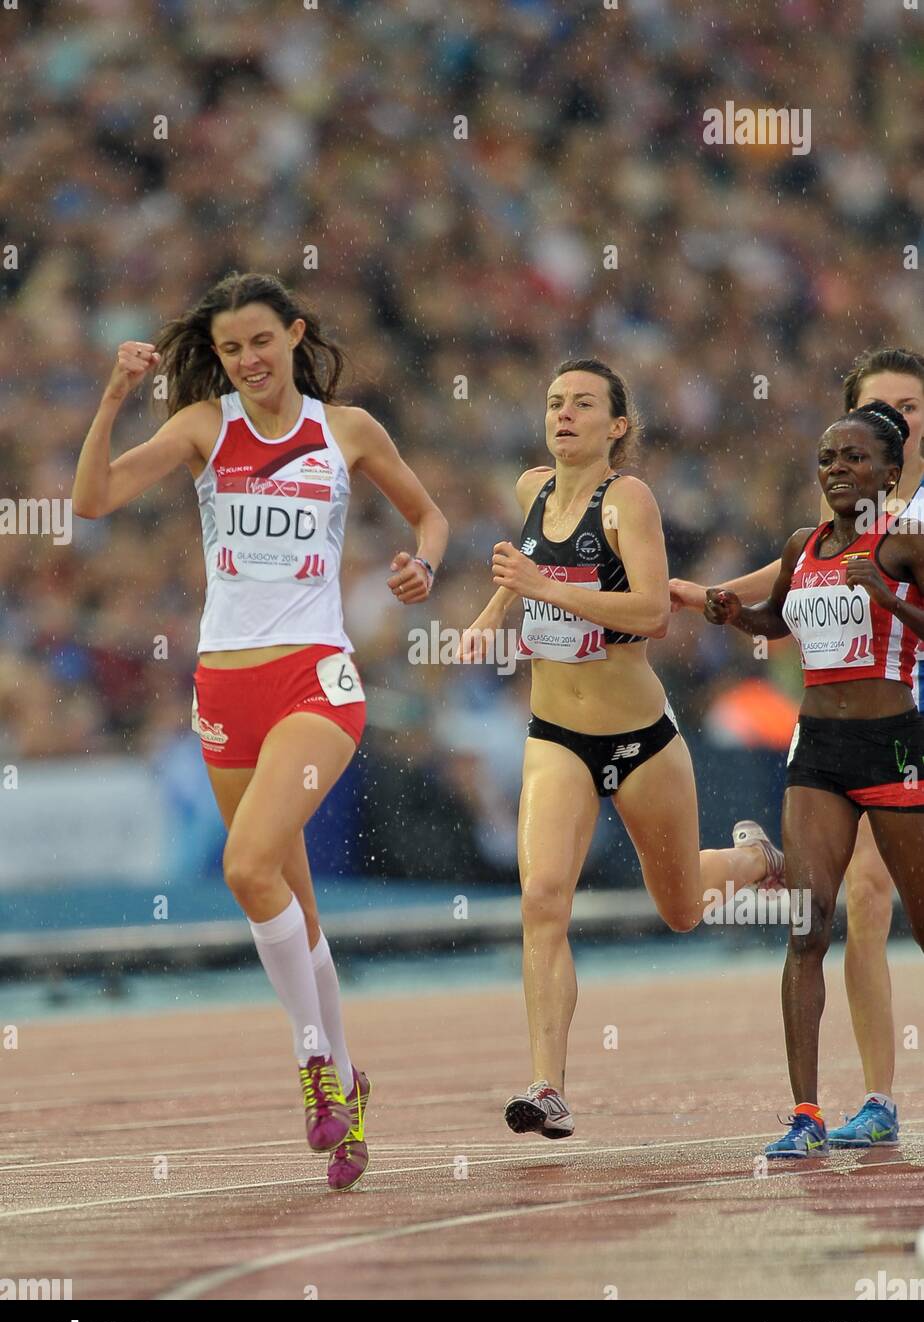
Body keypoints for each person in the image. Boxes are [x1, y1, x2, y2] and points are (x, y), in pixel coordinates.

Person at [72, 271, 448, 1190]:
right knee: (294, 903)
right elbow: (90, 500)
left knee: (246, 867)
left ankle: (314, 1060)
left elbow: (429, 514)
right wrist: (116, 396)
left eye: (261, 343)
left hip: (315, 679)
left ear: (293, 335)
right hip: (223, 688)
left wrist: (422, 568)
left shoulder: (345, 429)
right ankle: (350, 1081)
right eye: (232, 349)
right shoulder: (205, 427)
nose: (247, 360)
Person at [459, 358, 782, 1139]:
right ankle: (548, 1086)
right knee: (543, 900)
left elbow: (649, 613)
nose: (563, 415)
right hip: (555, 734)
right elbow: (525, 566)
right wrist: (490, 615)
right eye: (554, 402)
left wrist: (545, 591)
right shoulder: (531, 488)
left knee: (677, 910)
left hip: (641, 739)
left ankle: (751, 862)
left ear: (617, 426)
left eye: (583, 405)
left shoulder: (627, 500)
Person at [671, 347, 924, 1147]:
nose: (837, 469)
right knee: (808, 926)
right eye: (826, 458)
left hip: (892, 747)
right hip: (816, 750)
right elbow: (777, 619)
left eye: (854, 457)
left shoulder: (905, 542)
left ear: (890, 470)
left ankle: (881, 1098)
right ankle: (807, 1113)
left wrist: (887, 594)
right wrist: (730, 616)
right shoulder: (801, 546)